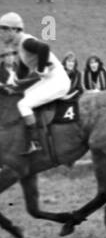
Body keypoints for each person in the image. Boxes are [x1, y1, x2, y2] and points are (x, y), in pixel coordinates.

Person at [0, 12, 73, 156]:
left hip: (57, 81)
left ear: (14, 30)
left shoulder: (26, 42)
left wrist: (40, 70)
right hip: (50, 79)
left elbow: (44, 47)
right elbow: (22, 73)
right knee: (22, 96)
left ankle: (35, 142)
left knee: (23, 104)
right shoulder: (19, 46)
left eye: (3, 30)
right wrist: (13, 85)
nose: (1, 34)